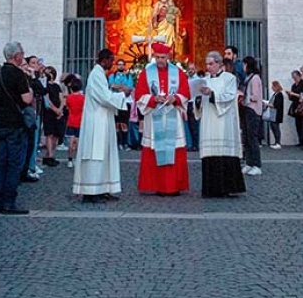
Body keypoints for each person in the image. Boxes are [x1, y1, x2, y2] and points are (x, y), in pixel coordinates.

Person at [0, 41, 33, 215]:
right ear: (16, 55)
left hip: (1, 122)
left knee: (1, 162)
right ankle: (9, 201)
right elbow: (27, 99)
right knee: (13, 164)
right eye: (22, 53)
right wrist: (30, 87)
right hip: (14, 122)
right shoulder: (18, 74)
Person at [135, 41, 190, 195]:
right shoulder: (146, 73)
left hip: (173, 114)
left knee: (174, 149)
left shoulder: (178, 72)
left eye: (163, 57)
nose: (160, 60)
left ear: (168, 57)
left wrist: (176, 98)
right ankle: (158, 186)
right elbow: (139, 94)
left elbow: (185, 92)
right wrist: (153, 99)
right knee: (156, 149)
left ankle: (173, 186)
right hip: (154, 117)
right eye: (157, 57)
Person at [73, 49, 128, 201]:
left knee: (105, 154)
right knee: (95, 155)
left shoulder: (100, 74)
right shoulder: (96, 74)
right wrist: (124, 95)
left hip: (104, 119)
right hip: (96, 121)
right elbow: (104, 97)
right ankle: (91, 191)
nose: (112, 63)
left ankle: (103, 187)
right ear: (104, 60)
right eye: (111, 60)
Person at [196, 51, 246, 198]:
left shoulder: (229, 78)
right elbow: (199, 105)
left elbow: (230, 97)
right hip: (208, 122)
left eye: (211, 64)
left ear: (219, 64)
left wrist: (211, 94)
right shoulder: (204, 80)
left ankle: (227, 188)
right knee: (210, 154)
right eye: (206, 64)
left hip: (224, 121)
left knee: (224, 154)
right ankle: (210, 189)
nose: (208, 66)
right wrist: (198, 100)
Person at [241, 55, 264, 176]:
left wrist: (243, 96)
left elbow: (255, 96)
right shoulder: (248, 77)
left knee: (252, 138)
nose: (243, 67)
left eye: (244, 64)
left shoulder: (255, 78)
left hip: (253, 110)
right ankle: (249, 163)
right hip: (247, 108)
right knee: (247, 138)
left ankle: (257, 164)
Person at [41, 66, 66, 166]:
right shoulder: (45, 86)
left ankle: (49, 155)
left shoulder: (56, 86)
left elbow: (61, 98)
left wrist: (60, 109)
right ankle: (50, 156)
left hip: (58, 113)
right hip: (49, 113)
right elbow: (47, 100)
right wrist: (56, 110)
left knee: (56, 135)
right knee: (49, 134)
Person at [64, 76, 84, 167]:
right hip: (80, 121)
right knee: (78, 142)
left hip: (71, 121)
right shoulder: (83, 98)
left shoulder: (69, 97)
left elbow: (67, 107)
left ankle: (70, 160)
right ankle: (77, 159)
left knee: (71, 142)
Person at [266, 80, 285, 148]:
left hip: (276, 114)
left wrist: (268, 104)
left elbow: (277, 105)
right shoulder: (275, 94)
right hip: (273, 114)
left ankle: (278, 142)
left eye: (273, 86)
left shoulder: (279, 95)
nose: (272, 87)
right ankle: (276, 142)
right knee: (273, 127)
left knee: (276, 128)